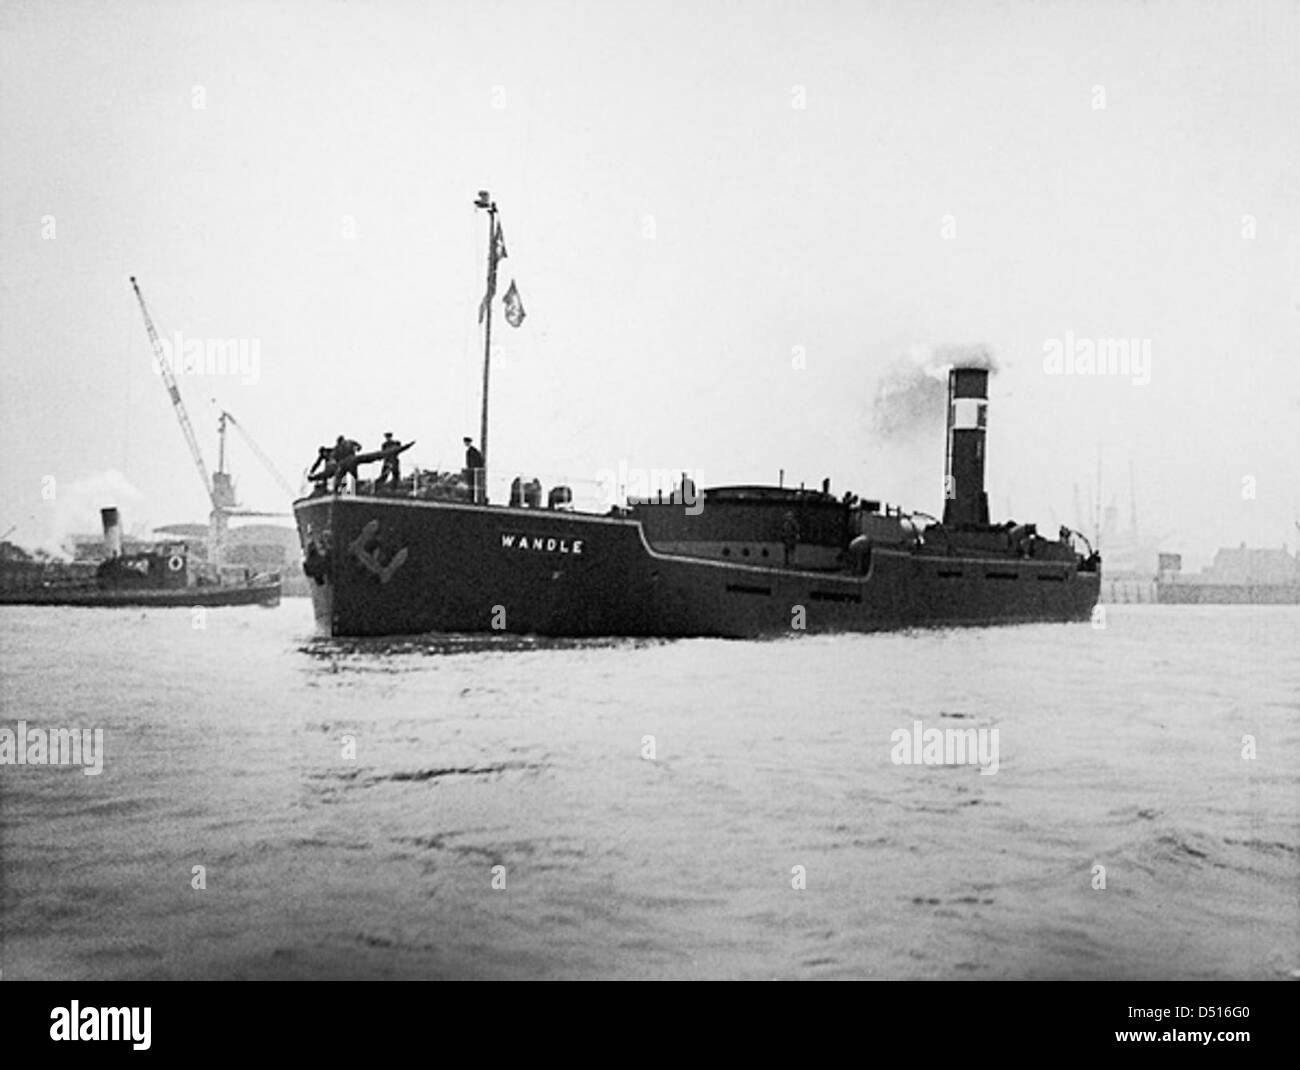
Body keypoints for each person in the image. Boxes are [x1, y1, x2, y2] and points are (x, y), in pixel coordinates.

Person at [463, 437, 484, 503]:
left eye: (467, 442)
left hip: (473, 471)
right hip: (471, 470)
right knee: (471, 485)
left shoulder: (473, 451)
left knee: (473, 485)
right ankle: (471, 499)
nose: (466, 443)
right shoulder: (470, 451)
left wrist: (473, 468)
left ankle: (472, 499)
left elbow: (477, 461)